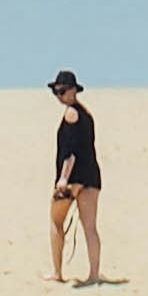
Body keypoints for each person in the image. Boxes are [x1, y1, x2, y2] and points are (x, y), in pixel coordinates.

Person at [47, 71, 102, 283]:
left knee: (56, 221)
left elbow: (70, 152)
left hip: (73, 178)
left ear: (72, 91)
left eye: (62, 91)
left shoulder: (71, 113)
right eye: (56, 92)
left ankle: (57, 272)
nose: (59, 95)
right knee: (90, 226)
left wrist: (63, 179)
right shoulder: (86, 114)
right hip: (91, 176)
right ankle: (94, 274)